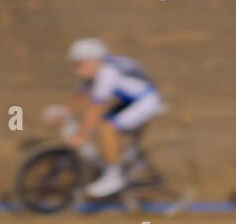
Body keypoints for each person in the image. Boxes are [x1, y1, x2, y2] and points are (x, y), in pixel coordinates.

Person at [64, 38, 166, 197]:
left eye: (81, 63)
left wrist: (81, 136)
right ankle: (122, 159)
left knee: (107, 127)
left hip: (147, 101)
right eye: (75, 64)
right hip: (131, 100)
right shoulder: (100, 67)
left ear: (94, 60)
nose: (77, 68)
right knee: (103, 127)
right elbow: (80, 94)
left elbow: (95, 108)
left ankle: (115, 176)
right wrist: (63, 112)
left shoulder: (107, 73)